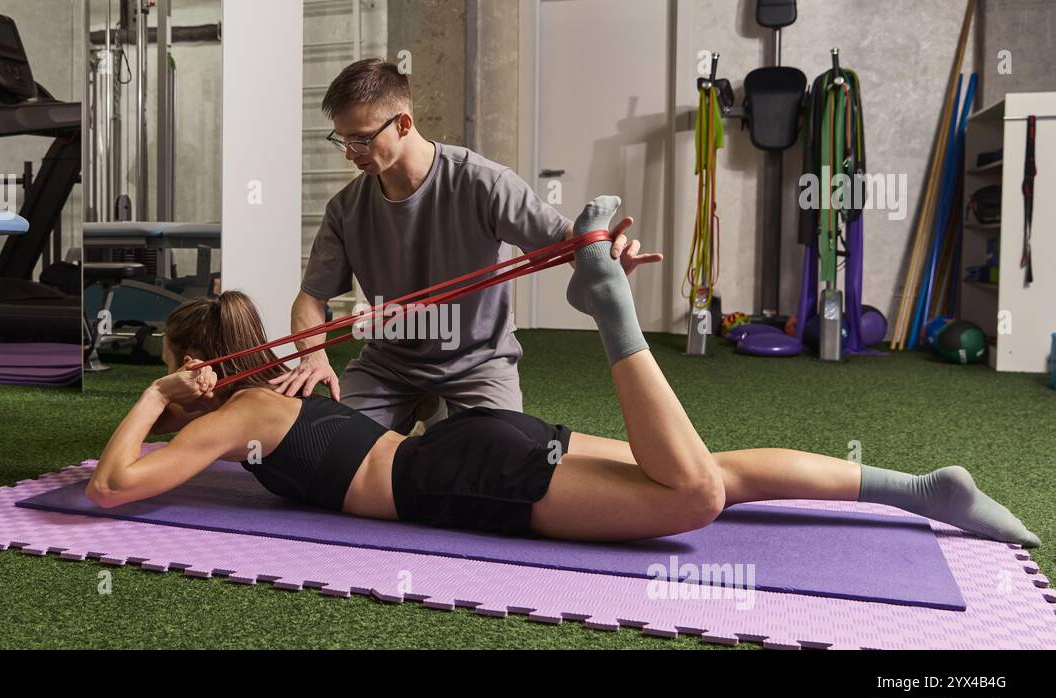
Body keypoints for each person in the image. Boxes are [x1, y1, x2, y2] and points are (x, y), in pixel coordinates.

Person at [87, 198, 1040, 548]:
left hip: (458, 481)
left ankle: (614, 321)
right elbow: (311, 351)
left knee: (695, 497)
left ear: (202, 364)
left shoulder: (238, 417)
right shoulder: (302, 381)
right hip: (473, 443)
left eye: (175, 364)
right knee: (718, 472)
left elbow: (111, 489)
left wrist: (152, 399)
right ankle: (920, 492)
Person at [273, 58, 661, 433]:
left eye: (361, 139)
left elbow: (564, 242)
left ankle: (439, 410)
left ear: (404, 124)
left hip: (479, 362)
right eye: (342, 139)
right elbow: (310, 299)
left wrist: (602, 261)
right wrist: (313, 354)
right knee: (326, 448)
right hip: (388, 364)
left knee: (496, 459)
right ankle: (424, 403)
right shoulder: (345, 209)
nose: (349, 152)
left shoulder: (485, 183)